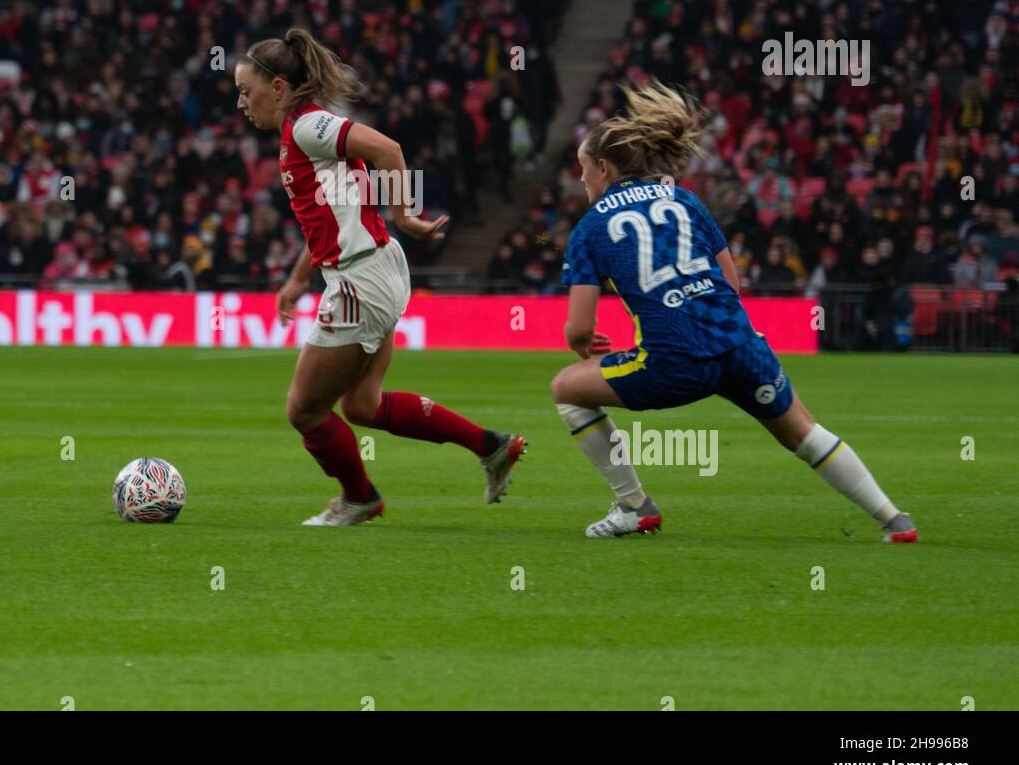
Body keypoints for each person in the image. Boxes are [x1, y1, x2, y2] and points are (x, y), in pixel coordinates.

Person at [550, 82, 916, 542]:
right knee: (801, 430)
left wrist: (583, 342)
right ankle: (894, 520)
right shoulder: (685, 200)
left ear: (602, 167)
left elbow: (580, 326)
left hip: (674, 361)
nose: (581, 179)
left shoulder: (591, 226)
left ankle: (634, 506)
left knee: (566, 388)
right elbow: (732, 284)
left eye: (583, 169)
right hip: (738, 345)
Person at [235, 28, 525, 526]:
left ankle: (359, 497)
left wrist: (405, 213)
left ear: (278, 88)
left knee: (304, 411)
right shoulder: (298, 136)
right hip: (376, 267)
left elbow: (387, 148)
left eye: (247, 91)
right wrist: (300, 278)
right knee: (363, 406)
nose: (241, 102)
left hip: (360, 283)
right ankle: (492, 446)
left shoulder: (308, 127)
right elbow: (332, 215)